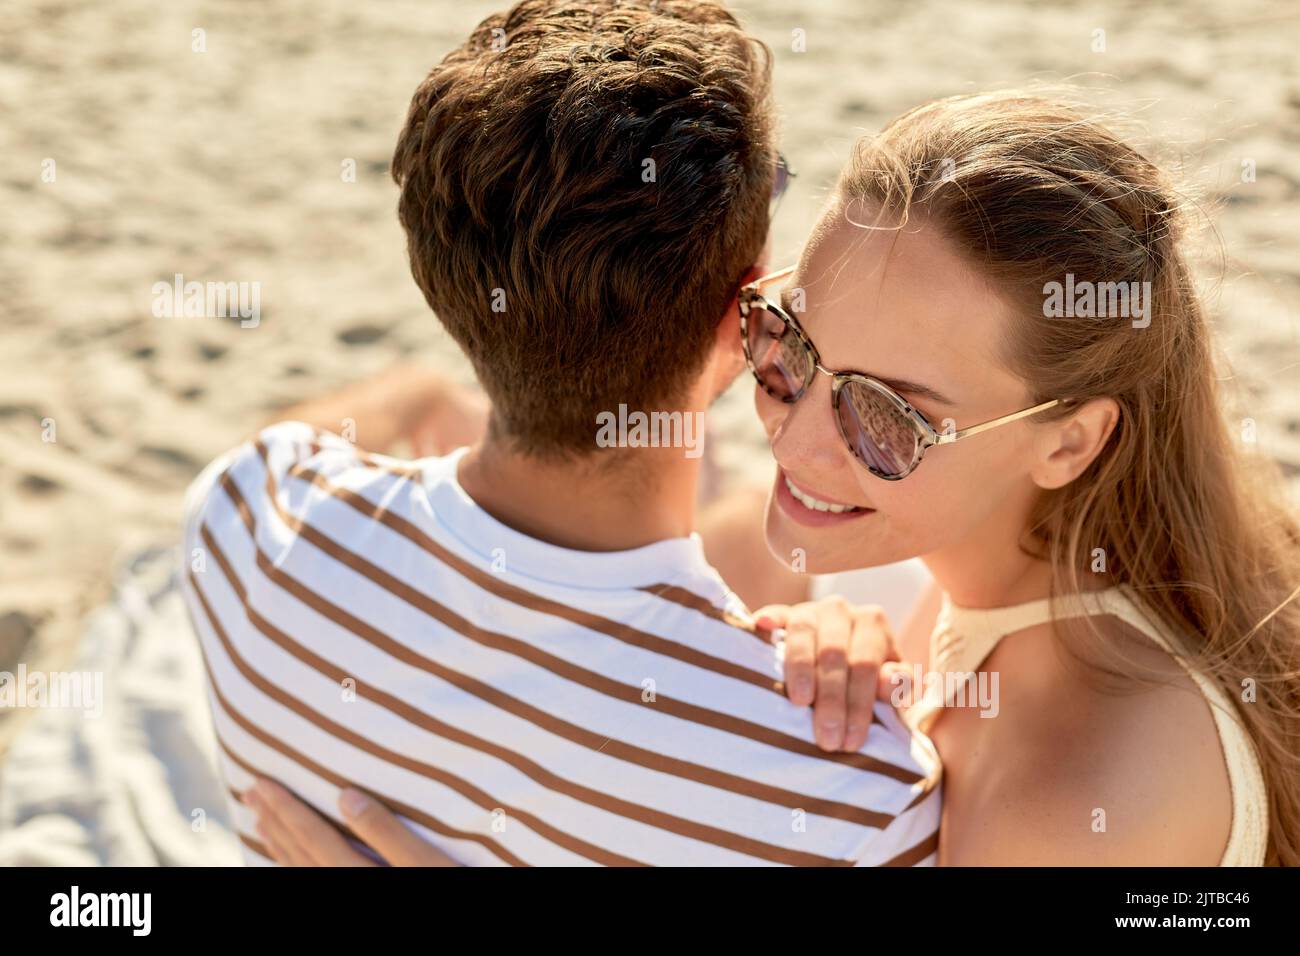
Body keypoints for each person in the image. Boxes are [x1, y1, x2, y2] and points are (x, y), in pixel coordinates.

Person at [256, 90, 1300, 867]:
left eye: (887, 415)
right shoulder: (973, 564)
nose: (796, 443)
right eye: (785, 346)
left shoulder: (1079, 802)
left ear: (1067, 442)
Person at [180, 0, 942, 867]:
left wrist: (418, 390)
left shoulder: (239, 521)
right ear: (742, 313)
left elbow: (281, 444)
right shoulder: (855, 799)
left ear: (436, 277)